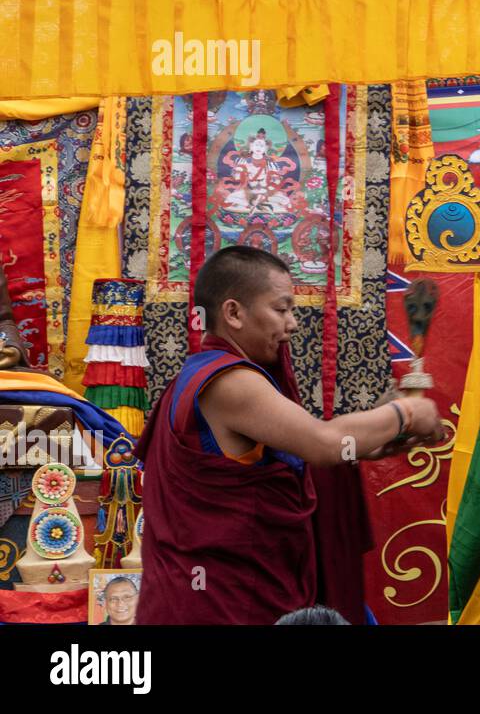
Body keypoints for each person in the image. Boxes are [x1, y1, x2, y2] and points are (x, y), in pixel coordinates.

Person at [137, 246, 445, 624]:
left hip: (203, 597)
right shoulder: (230, 382)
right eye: (281, 309)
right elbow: (322, 444)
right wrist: (408, 412)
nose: (293, 323)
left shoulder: (199, 374)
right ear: (234, 313)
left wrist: (370, 443)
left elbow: (303, 453)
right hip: (224, 605)